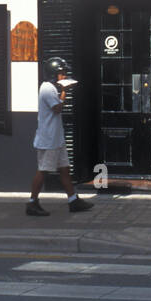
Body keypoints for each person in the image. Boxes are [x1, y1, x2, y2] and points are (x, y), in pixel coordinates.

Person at [26, 57, 93, 216]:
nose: (64, 76)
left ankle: (73, 200)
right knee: (43, 171)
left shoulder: (50, 88)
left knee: (64, 170)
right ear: (53, 74)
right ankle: (32, 202)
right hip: (48, 140)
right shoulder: (47, 88)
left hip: (56, 139)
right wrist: (64, 91)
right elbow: (57, 108)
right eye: (61, 73)